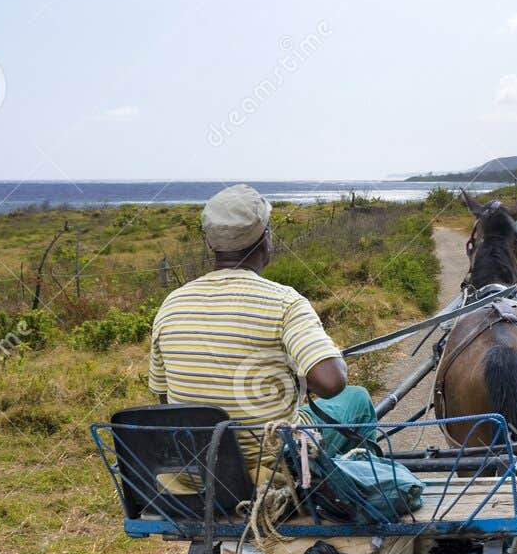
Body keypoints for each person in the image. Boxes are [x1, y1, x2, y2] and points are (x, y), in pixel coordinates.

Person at [146, 184, 377, 492]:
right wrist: (327, 356)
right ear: (267, 239)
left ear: (209, 243)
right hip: (269, 467)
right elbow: (332, 383)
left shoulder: (171, 304)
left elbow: (165, 400)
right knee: (357, 398)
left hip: (195, 470)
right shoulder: (285, 302)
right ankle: (356, 494)